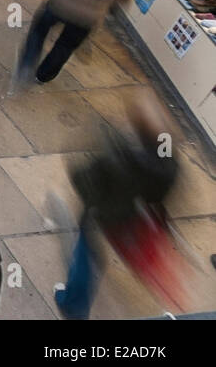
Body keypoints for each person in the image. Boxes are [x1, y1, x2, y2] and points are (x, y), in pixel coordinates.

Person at [54, 99, 182, 319]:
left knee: (85, 258)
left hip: (102, 214)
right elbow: (161, 194)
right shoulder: (168, 161)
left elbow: (83, 181)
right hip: (133, 219)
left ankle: (72, 306)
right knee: (135, 255)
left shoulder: (116, 155)